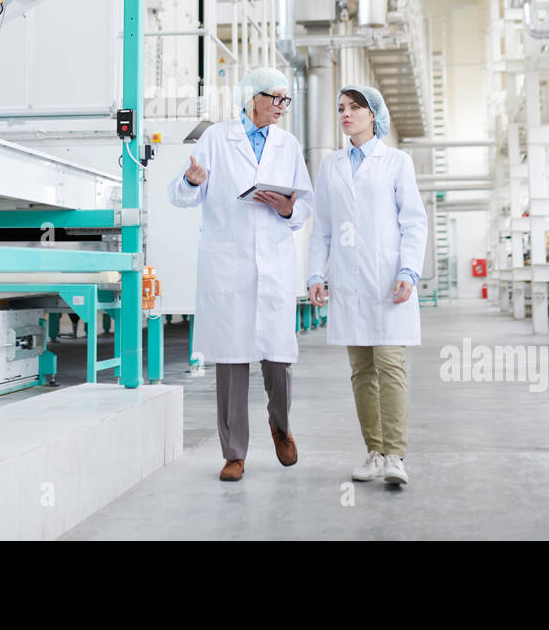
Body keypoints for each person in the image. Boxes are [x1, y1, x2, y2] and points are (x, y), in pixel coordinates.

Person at [168, 67, 313, 482]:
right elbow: (181, 196)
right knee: (231, 362)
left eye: (288, 100)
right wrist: (191, 180)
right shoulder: (217, 139)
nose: (283, 107)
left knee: (278, 359)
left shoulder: (288, 145)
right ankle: (234, 453)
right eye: (277, 98)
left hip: (274, 261)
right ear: (252, 97)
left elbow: (303, 204)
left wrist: (285, 208)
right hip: (227, 264)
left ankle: (281, 426)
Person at [307, 85, 428, 486]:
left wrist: (409, 271)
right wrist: (315, 274)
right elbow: (321, 229)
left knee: (390, 366)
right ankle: (373, 452)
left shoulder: (396, 162)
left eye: (355, 107)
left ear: (373, 114)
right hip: (347, 282)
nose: (346, 114)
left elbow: (413, 221)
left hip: (387, 279)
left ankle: (396, 455)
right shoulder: (331, 166)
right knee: (361, 370)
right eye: (341, 107)